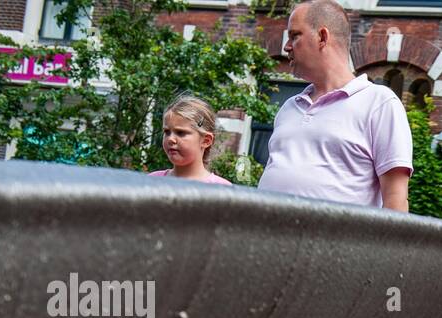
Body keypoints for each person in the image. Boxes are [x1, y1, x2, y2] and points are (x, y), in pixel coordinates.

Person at [257, 0, 412, 210]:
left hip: (336, 242)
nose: (286, 47)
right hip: (267, 237)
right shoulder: (288, 108)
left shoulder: (380, 103)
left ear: (322, 37)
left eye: (295, 36)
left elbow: (395, 200)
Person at [149, 95, 232, 185]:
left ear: (206, 141)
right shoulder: (151, 180)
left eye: (181, 133)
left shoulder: (221, 188)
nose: (170, 139)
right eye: (167, 132)